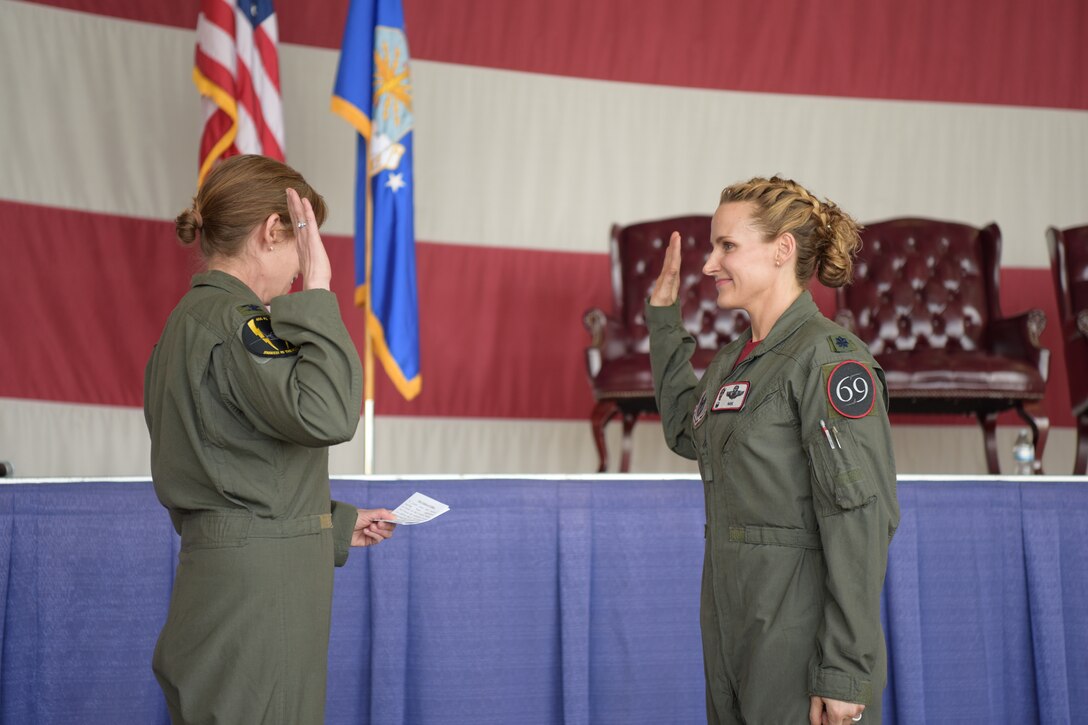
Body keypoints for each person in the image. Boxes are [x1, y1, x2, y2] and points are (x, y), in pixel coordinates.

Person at [143, 154, 396, 724]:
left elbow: (229, 461)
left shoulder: (185, 322)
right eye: (301, 247)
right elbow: (329, 414)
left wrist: (328, 520)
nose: (299, 271)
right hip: (257, 602)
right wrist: (321, 292)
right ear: (272, 232)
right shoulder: (239, 324)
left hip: (221, 584)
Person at [647, 176, 899, 725]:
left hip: (798, 650)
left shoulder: (829, 361)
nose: (710, 265)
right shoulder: (735, 361)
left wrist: (844, 673)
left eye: (727, 247)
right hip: (734, 636)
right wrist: (664, 322)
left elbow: (860, 520)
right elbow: (686, 431)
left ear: (783, 249)